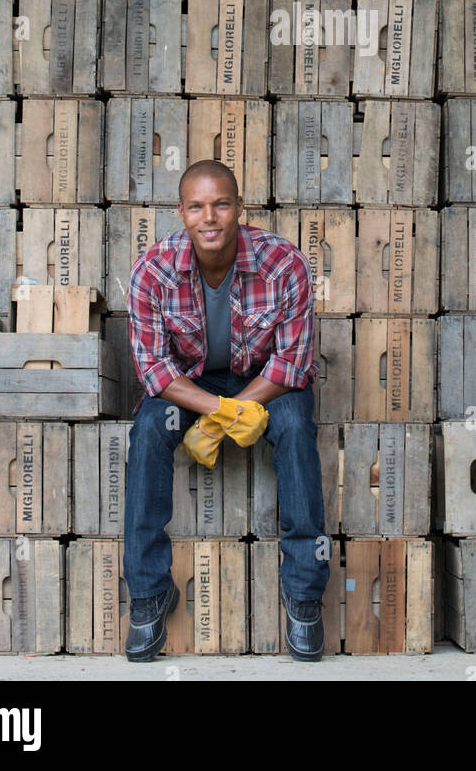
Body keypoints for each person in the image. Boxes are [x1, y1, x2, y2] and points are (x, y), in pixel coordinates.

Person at [122, 158, 329, 662]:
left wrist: (236, 408)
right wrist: (220, 412)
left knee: (295, 425)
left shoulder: (284, 263)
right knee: (148, 430)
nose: (209, 217)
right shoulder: (152, 271)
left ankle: (304, 592)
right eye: (197, 207)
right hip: (192, 386)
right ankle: (149, 592)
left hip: (265, 382)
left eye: (220, 205)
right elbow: (155, 370)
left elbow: (293, 363)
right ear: (181, 212)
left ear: (240, 207)